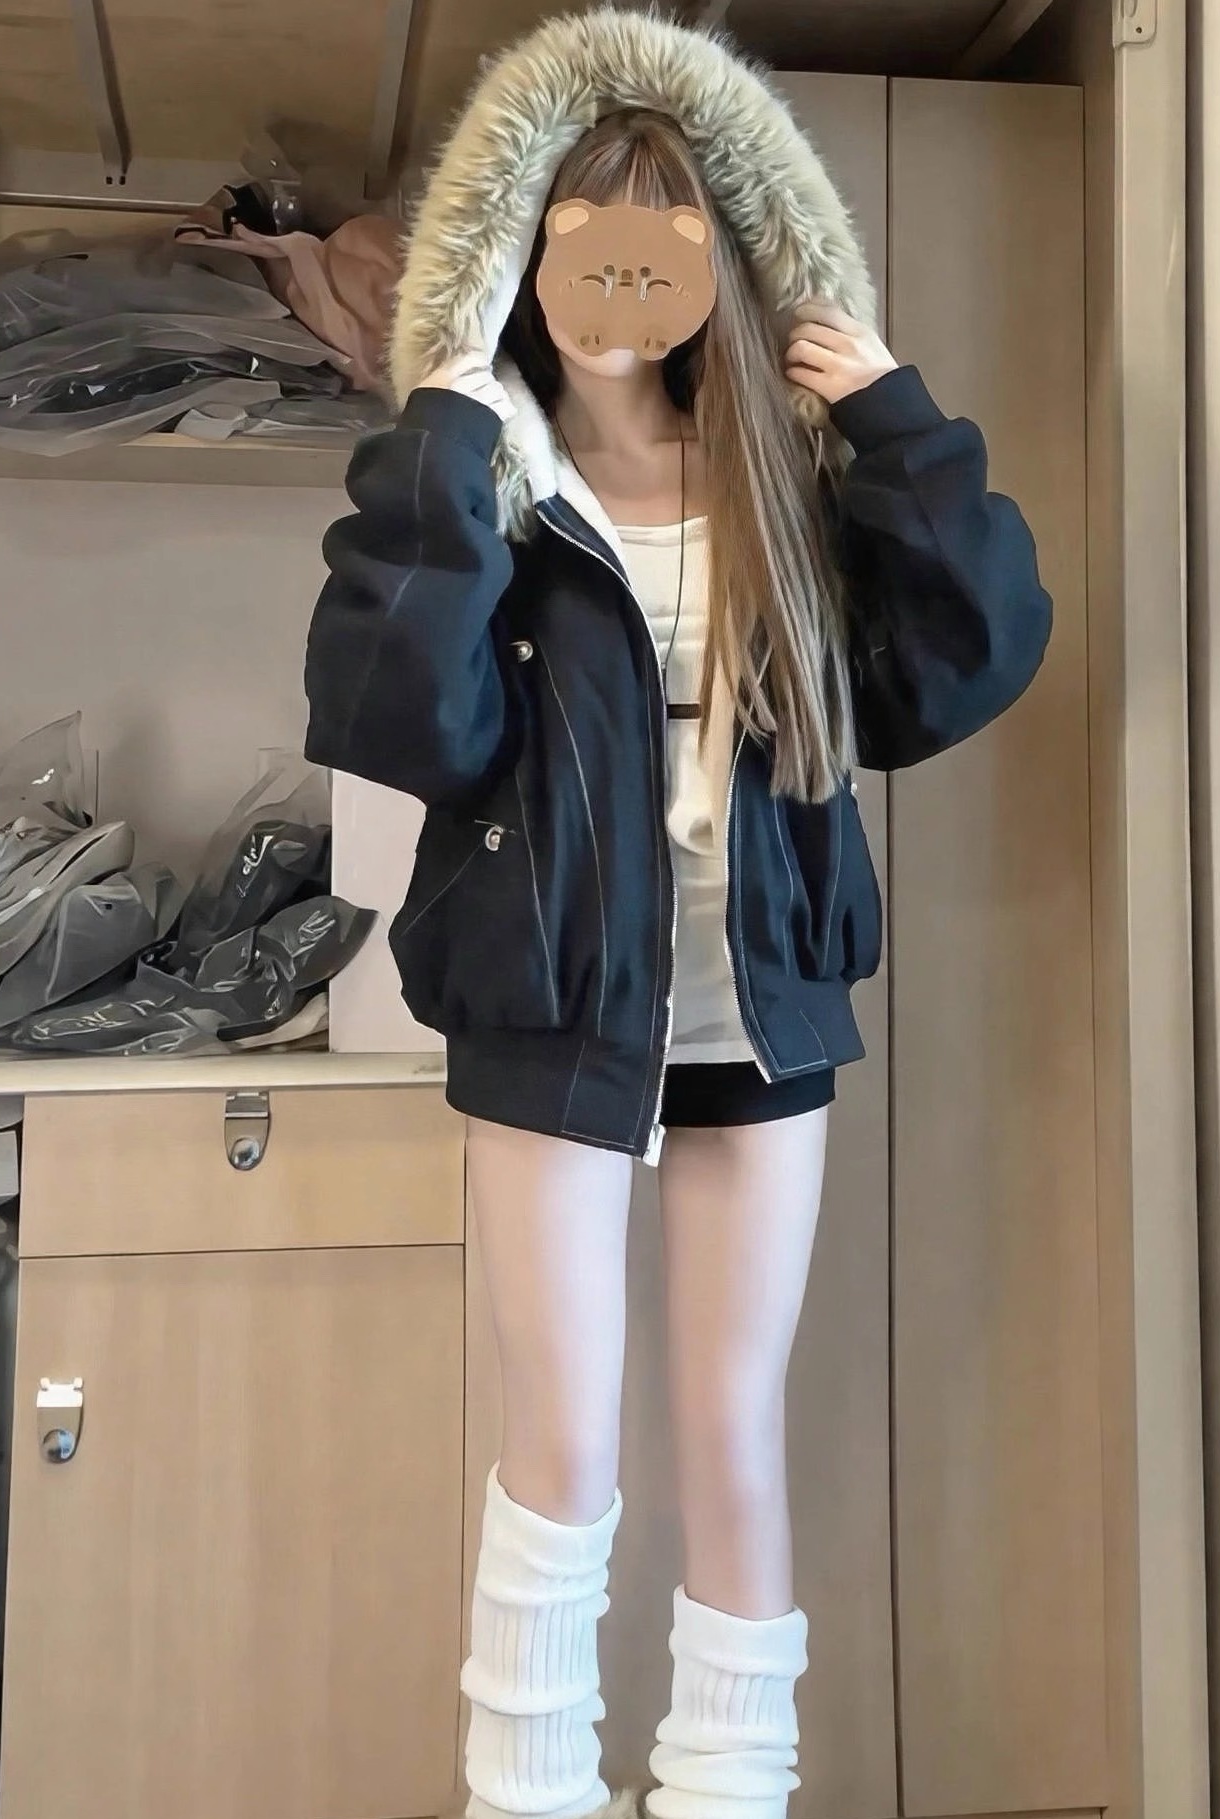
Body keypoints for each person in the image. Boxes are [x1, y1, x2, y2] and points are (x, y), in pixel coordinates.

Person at [304, 15, 1051, 1817]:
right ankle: (525, 1794)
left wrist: (893, 415)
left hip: (759, 1005)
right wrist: (440, 445)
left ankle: (729, 1796)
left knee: (734, 1437)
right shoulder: (492, 476)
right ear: (521, 253)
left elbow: (966, 661)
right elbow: (399, 719)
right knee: (562, 1444)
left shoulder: (782, 480)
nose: (617, 276)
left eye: (660, 236)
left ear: (715, 260)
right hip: (554, 1004)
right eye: (577, 233)